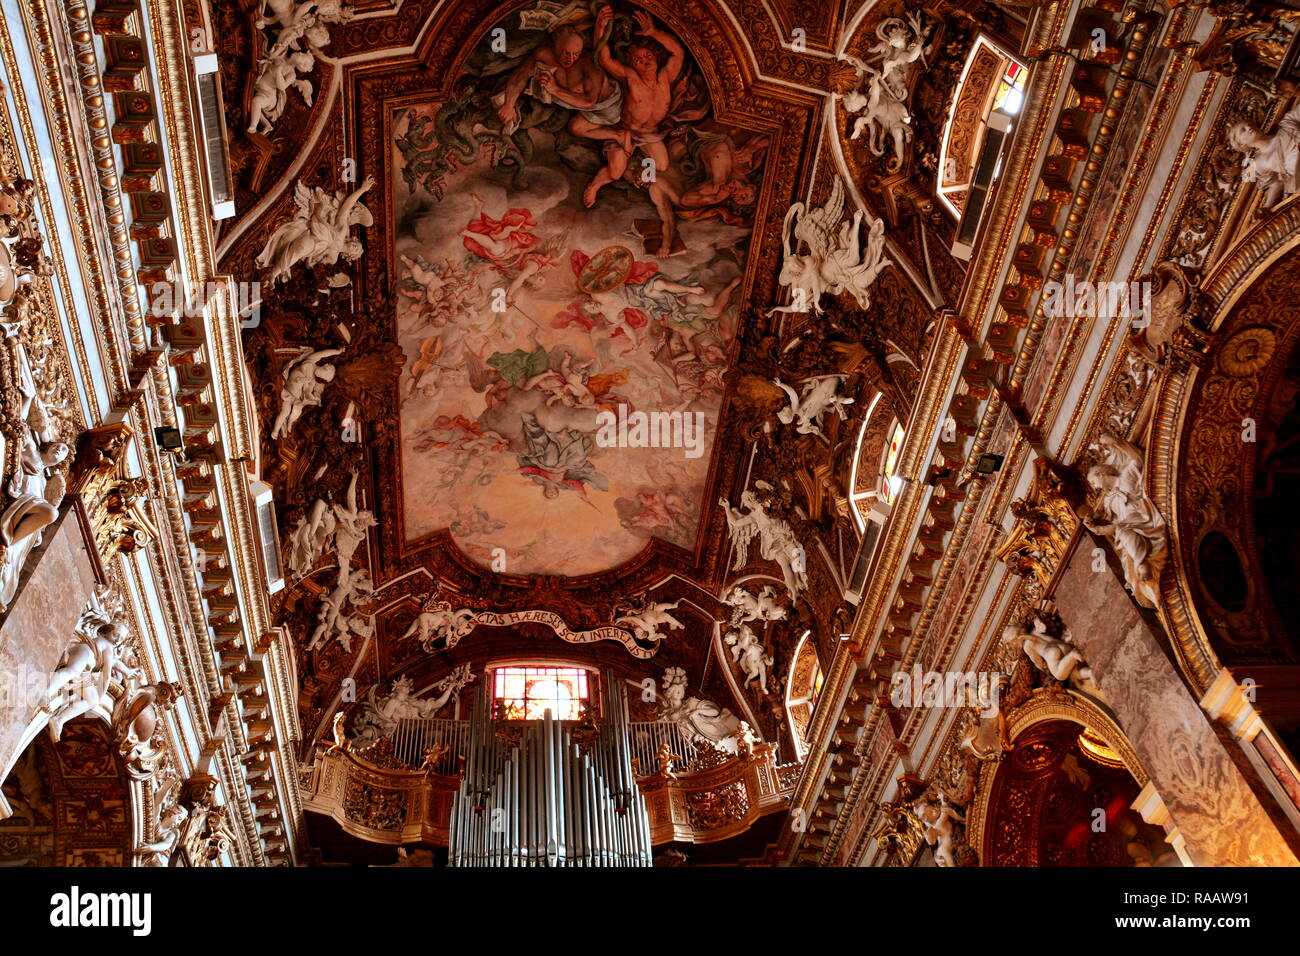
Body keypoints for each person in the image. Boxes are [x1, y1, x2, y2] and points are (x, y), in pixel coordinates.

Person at [584, 7, 684, 208]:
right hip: (626, 132)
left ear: (656, 58)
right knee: (614, 173)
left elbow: (678, 52)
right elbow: (605, 59)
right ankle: (594, 186)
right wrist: (601, 27)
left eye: (648, 57)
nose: (645, 62)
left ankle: (635, 170)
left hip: (650, 134)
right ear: (632, 64)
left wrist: (653, 33)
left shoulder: (665, 77)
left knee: (662, 165)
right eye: (638, 60)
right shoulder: (630, 77)